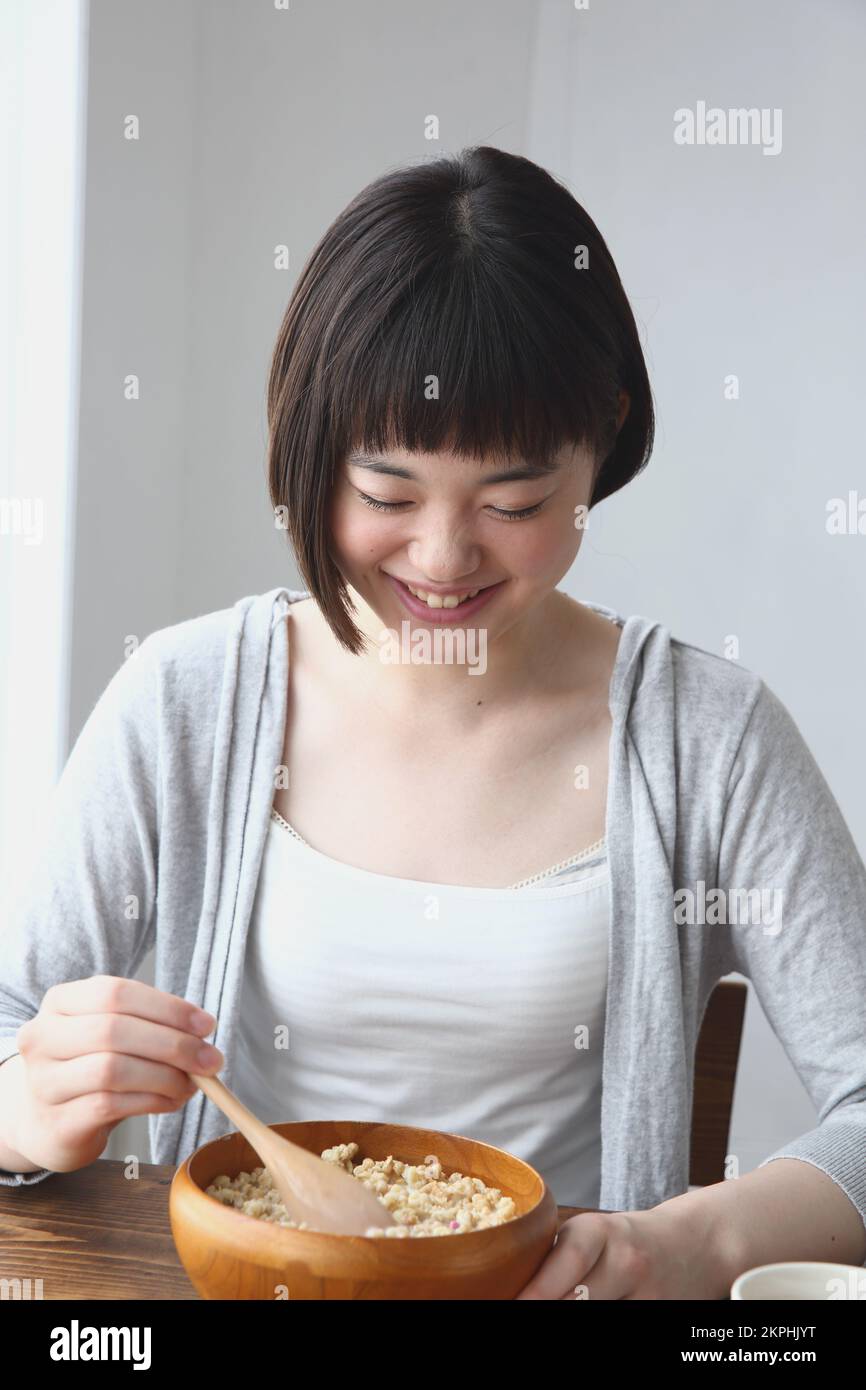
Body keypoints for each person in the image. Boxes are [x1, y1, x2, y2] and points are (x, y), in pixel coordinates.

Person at [1, 147, 865, 1299]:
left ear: (600, 441)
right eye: (386, 495)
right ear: (309, 453)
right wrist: (24, 1106)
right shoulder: (185, 697)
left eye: (510, 501)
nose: (443, 560)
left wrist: (691, 1241)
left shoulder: (709, 736)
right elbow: (12, 1030)